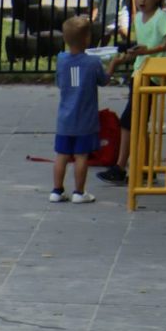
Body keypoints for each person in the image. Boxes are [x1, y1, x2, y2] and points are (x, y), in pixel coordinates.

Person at [99, 0, 166, 187]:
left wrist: (148, 51)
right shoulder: (138, 18)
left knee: (129, 122)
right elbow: (143, 48)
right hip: (139, 73)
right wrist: (130, 56)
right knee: (138, 124)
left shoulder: (160, 18)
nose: (142, 0)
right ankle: (145, 169)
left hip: (151, 77)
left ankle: (120, 168)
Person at [50, 16, 109, 204]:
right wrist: (113, 65)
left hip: (65, 119)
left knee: (61, 155)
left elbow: (59, 82)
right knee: (81, 156)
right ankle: (79, 191)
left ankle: (57, 190)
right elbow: (103, 80)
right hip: (85, 120)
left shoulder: (61, 60)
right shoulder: (93, 62)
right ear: (87, 38)